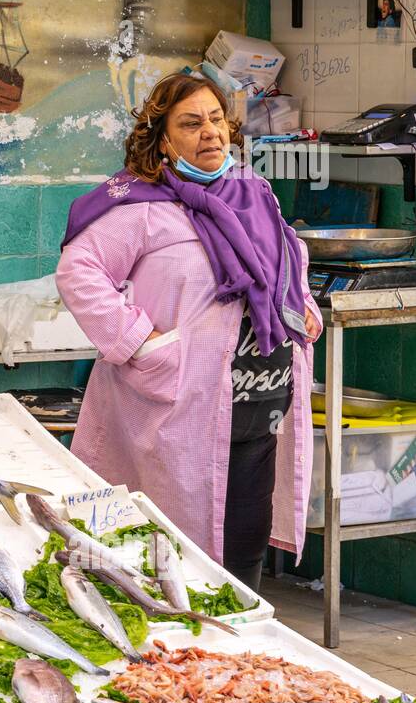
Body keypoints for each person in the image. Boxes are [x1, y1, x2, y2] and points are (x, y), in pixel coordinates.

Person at [55, 73, 322, 592]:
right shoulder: (139, 205)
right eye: (192, 123)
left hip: (259, 402)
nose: (211, 133)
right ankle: (172, 651)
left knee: (246, 542)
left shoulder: (253, 193)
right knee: (170, 547)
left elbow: (288, 264)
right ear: (162, 139)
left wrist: (302, 308)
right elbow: (78, 270)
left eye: (217, 119)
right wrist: (138, 340)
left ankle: (237, 651)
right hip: (178, 401)